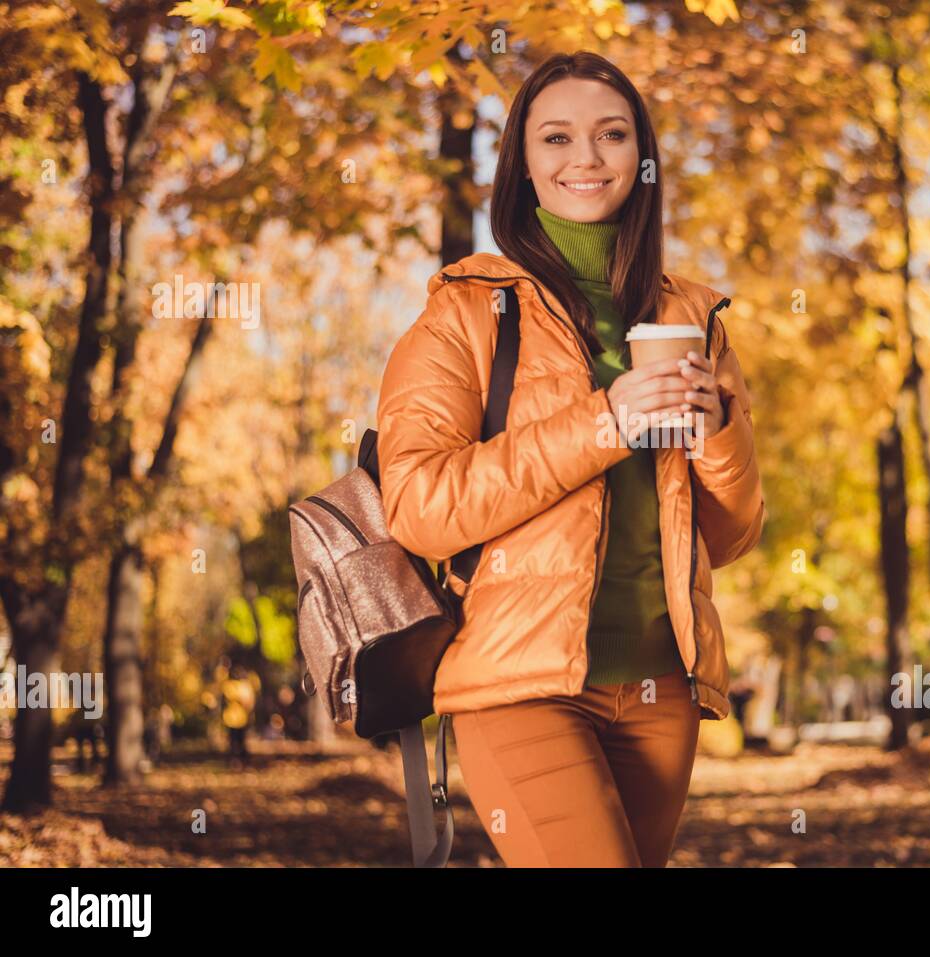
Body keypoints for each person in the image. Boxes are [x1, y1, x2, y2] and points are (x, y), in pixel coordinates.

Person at [376, 51, 765, 867]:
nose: (585, 158)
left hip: (664, 691)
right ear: (522, 163)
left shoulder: (692, 316)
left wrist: (717, 434)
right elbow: (418, 504)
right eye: (556, 137)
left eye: (611, 135)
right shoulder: (466, 311)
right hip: (518, 683)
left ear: (642, 156)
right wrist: (605, 422)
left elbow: (726, 540)